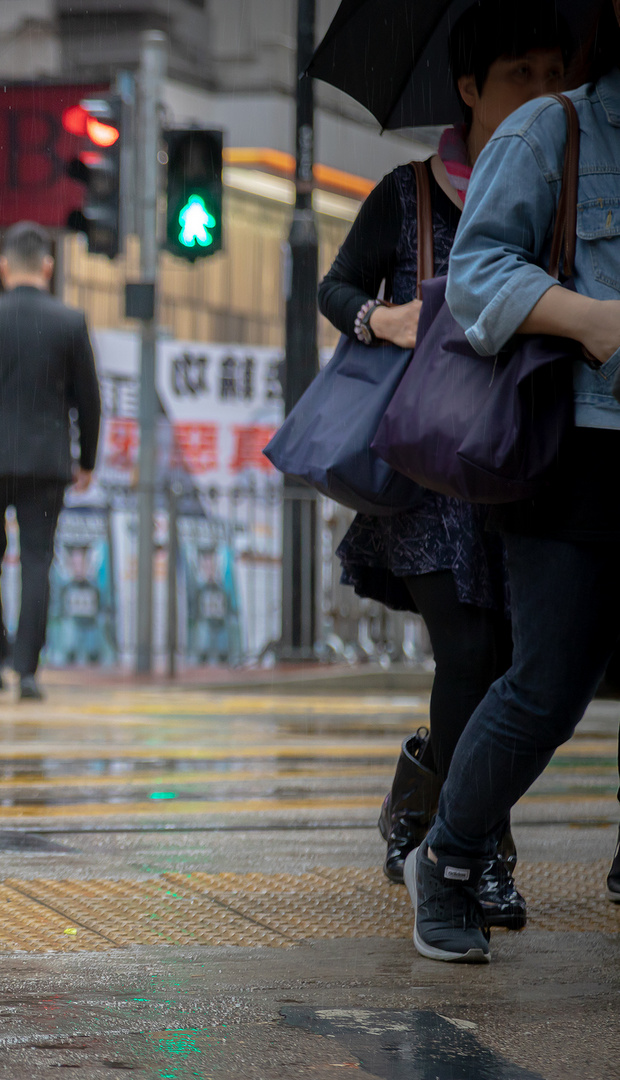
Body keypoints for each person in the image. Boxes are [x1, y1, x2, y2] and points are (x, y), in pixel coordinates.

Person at [317, 0, 569, 930]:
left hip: (529, 457)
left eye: (555, 77)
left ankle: (422, 792)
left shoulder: (566, 190)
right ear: (469, 89)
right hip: (426, 471)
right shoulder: (410, 191)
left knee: (507, 663)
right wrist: (382, 318)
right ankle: (481, 856)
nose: (544, 96)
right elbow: (335, 282)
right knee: (468, 653)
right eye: (521, 78)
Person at [404, 1, 620, 964]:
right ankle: (448, 858)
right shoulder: (555, 128)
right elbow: (477, 275)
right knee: (547, 684)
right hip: (576, 451)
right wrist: (586, 316)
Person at [0, 222, 102, 700]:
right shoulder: (69, 321)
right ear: (48, 266)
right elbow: (90, 398)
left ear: (3, 267)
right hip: (46, 462)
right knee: (39, 559)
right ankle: (27, 671)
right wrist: (87, 459)